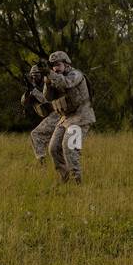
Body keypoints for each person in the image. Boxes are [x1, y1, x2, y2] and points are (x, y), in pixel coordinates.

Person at [43, 51, 95, 184]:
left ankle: (76, 181)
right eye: (53, 66)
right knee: (53, 148)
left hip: (81, 117)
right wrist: (47, 82)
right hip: (66, 118)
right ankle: (64, 177)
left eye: (58, 65)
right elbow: (47, 97)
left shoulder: (75, 74)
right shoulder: (55, 77)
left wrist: (50, 74)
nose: (55, 68)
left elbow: (66, 83)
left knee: (70, 148)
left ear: (66, 64)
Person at [21, 63, 59, 166]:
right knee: (52, 143)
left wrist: (33, 89)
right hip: (51, 116)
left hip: (57, 114)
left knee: (36, 134)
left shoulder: (48, 84)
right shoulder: (34, 87)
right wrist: (28, 90)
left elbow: (46, 100)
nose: (34, 78)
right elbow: (23, 102)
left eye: (36, 75)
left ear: (42, 75)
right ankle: (48, 163)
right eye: (32, 76)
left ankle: (42, 162)